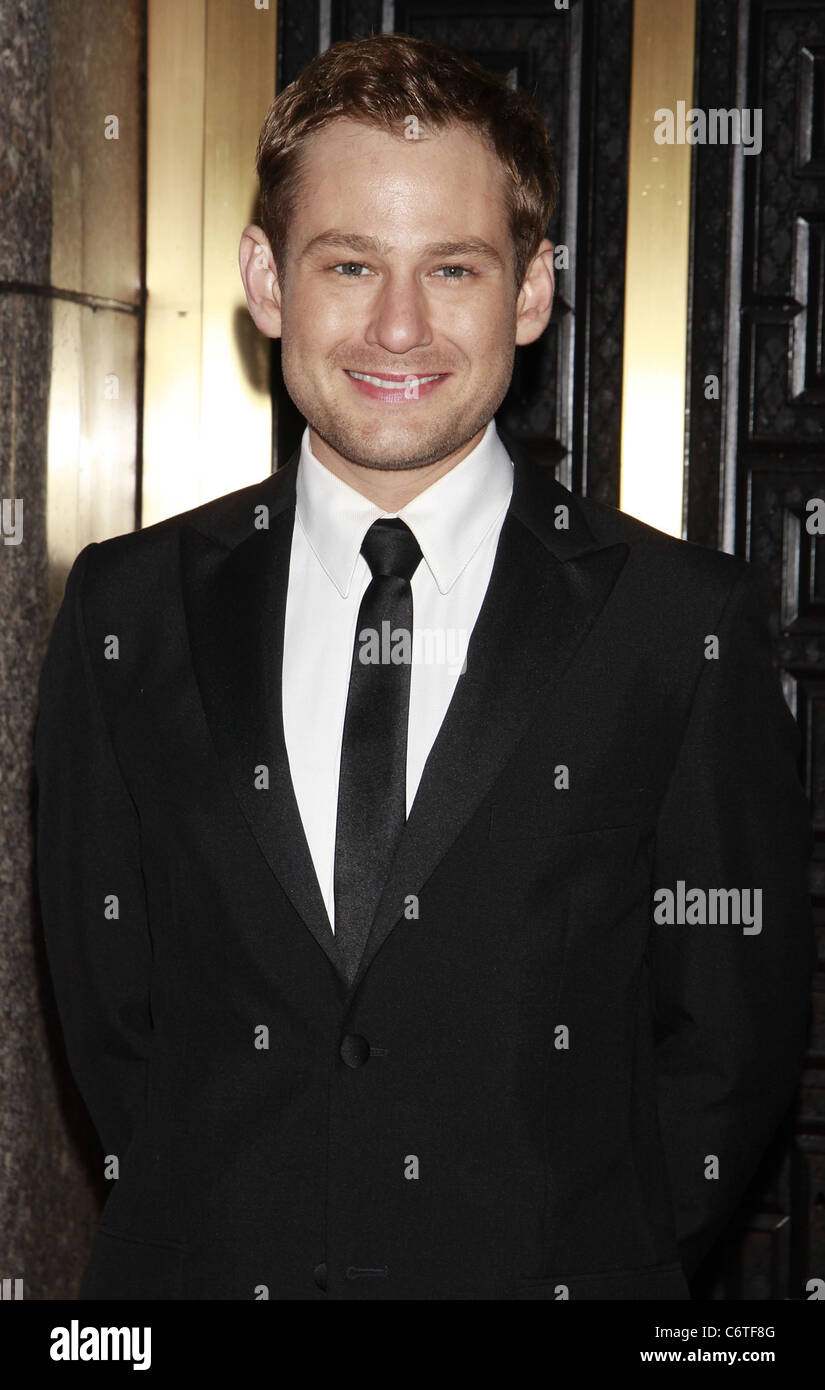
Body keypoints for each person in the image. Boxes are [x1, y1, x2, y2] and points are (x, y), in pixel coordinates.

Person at [35, 32, 815, 1301]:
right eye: (349, 264)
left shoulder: (683, 624)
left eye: (453, 268)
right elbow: (114, 1028)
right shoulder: (127, 610)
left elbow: (730, 1047)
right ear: (266, 279)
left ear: (531, 289)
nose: (399, 326)